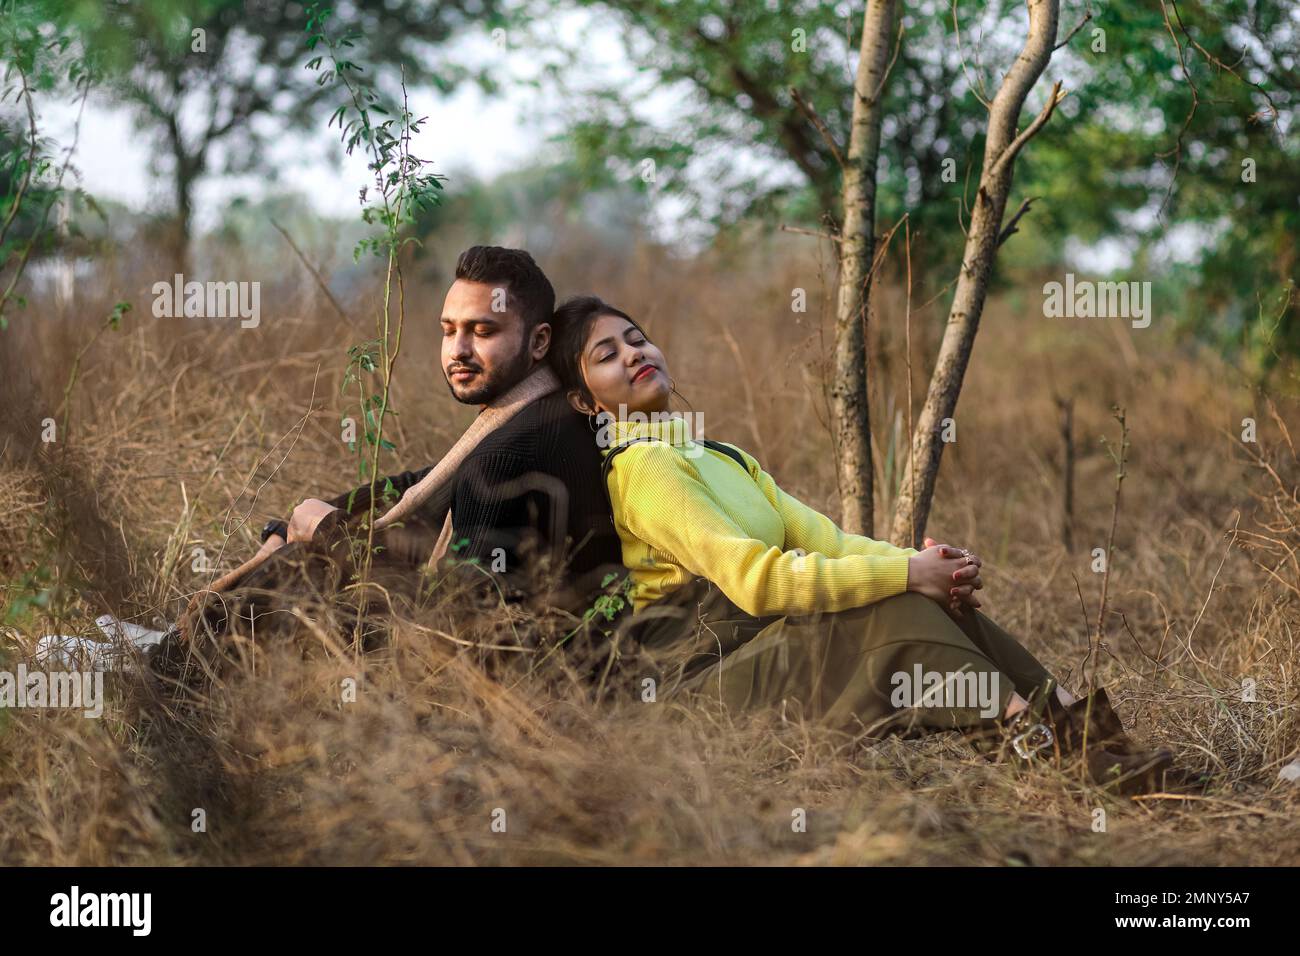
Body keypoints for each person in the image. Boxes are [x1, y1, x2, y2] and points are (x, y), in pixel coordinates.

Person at [549, 294, 1179, 795]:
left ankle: (1095, 744)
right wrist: (906, 578)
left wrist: (928, 568)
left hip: (758, 651)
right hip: (702, 690)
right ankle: (1041, 752)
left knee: (932, 599)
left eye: (636, 338)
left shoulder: (721, 455)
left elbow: (831, 541)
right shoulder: (644, 470)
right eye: (606, 355)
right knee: (896, 605)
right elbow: (757, 582)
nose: (633, 354)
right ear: (585, 400)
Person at [162, 248, 624, 669]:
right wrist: (292, 525)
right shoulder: (541, 411)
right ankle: (175, 653)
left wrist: (329, 535)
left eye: (483, 331)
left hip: (520, 678)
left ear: (540, 342)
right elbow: (416, 484)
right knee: (308, 557)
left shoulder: (518, 442)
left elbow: (456, 610)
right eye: (449, 330)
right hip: (553, 653)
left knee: (305, 573)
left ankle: (171, 672)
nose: (458, 350)